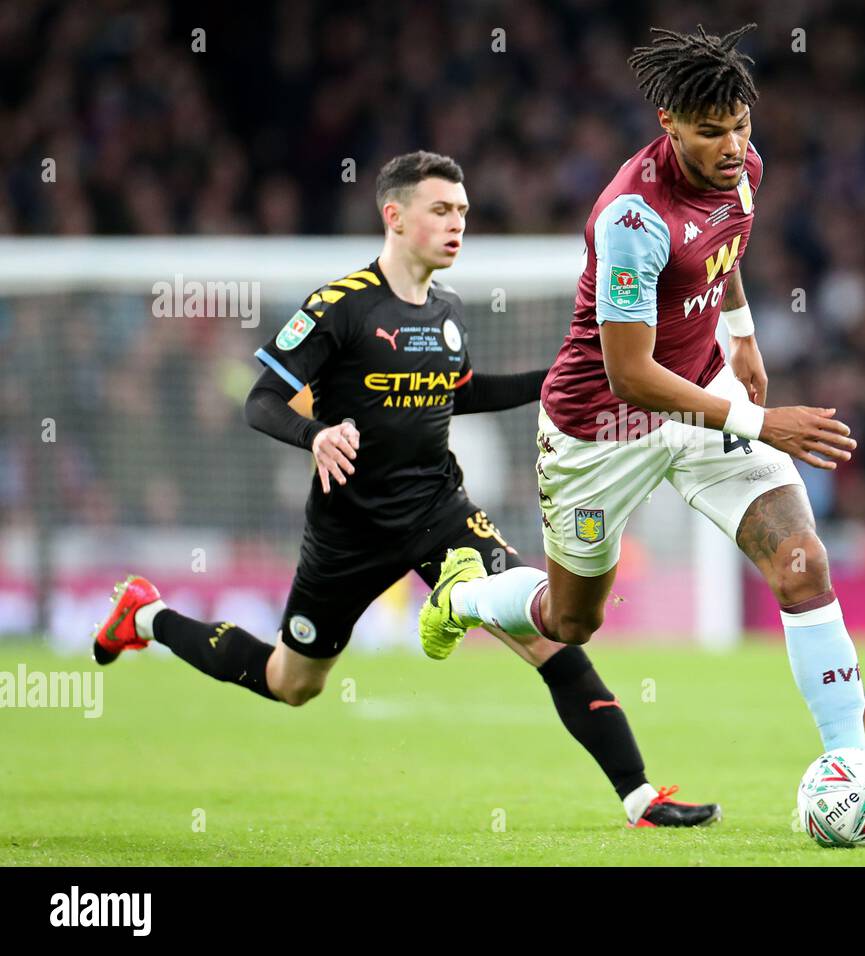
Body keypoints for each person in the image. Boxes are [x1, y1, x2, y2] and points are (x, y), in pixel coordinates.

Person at [91, 150, 719, 829]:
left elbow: (462, 394)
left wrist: (561, 375)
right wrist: (317, 435)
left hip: (440, 514)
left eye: (464, 213)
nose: (458, 225)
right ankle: (146, 616)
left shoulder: (447, 310)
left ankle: (640, 799)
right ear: (394, 216)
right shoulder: (340, 307)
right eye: (442, 211)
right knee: (291, 682)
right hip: (349, 532)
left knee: (551, 638)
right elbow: (262, 399)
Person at [418, 24, 865, 838]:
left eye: (741, 124)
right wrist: (764, 420)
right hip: (603, 429)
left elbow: (724, 256)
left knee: (802, 563)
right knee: (571, 621)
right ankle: (466, 595)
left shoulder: (746, 169)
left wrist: (743, 337)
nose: (733, 145)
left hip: (702, 395)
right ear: (668, 123)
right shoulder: (632, 216)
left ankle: (854, 770)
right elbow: (630, 373)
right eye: (711, 131)